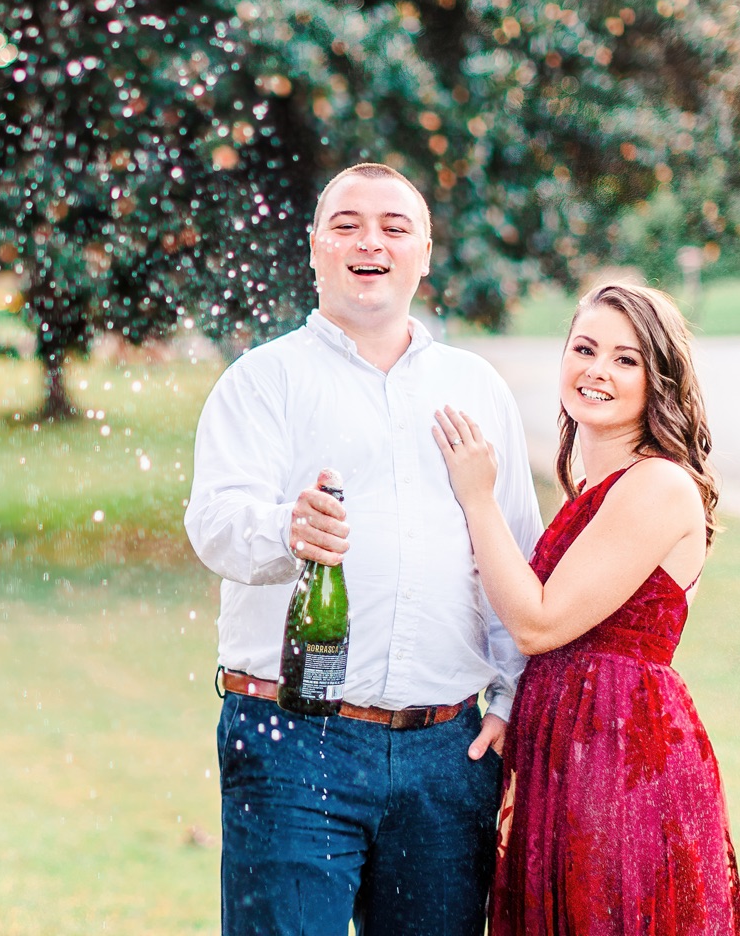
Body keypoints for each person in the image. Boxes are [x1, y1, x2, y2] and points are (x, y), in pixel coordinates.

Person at [184, 162, 542, 936]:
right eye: (345, 225)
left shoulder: (475, 388)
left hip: (449, 756)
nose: (368, 241)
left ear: (425, 252)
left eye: (393, 226)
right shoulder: (261, 381)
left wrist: (510, 699)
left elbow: (515, 556)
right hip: (290, 742)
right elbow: (212, 521)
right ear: (314, 249)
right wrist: (287, 528)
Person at [431, 283, 740, 935]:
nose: (597, 370)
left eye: (626, 359)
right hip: (569, 757)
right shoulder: (592, 490)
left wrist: (478, 496)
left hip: (621, 761)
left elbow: (538, 620)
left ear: (659, 380)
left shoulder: (656, 484)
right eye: (585, 348)